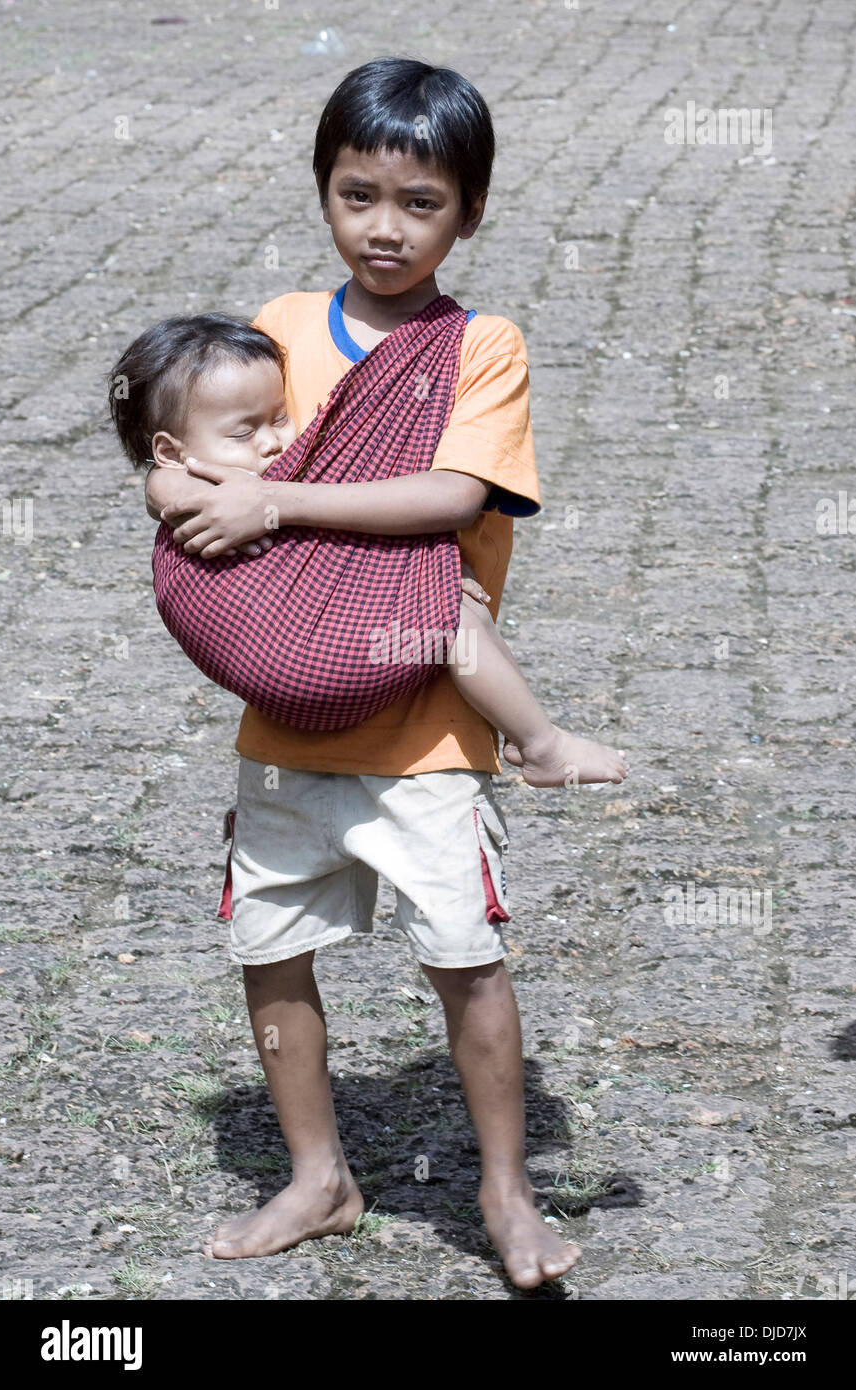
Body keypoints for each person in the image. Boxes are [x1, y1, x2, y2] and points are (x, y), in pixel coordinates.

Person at [142, 56, 629, 1290]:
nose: (385, 228)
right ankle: (319, 1177)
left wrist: (276, 502)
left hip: (426, 736)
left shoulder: (482, 346)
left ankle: (506, 1193)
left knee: (464, 958)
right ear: (322, 192)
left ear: (471, 212)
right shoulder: (285, 327)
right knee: (271, 950)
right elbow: (199, 448)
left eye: (422, 203)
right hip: (287, 725)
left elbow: (451, 495)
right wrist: (183, 488)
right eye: (359, 194)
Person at [111, 311, 629, 787]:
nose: (271, 443)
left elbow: (428, 510)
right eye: (244, 432)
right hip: (294, 651)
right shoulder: (202, 487)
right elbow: (166, 487)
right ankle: (541, 745)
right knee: (456, 623)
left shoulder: (259, 475)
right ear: (171, 451)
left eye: (278, 418)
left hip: (312, 667)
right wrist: (169, 488)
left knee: (454, 610)